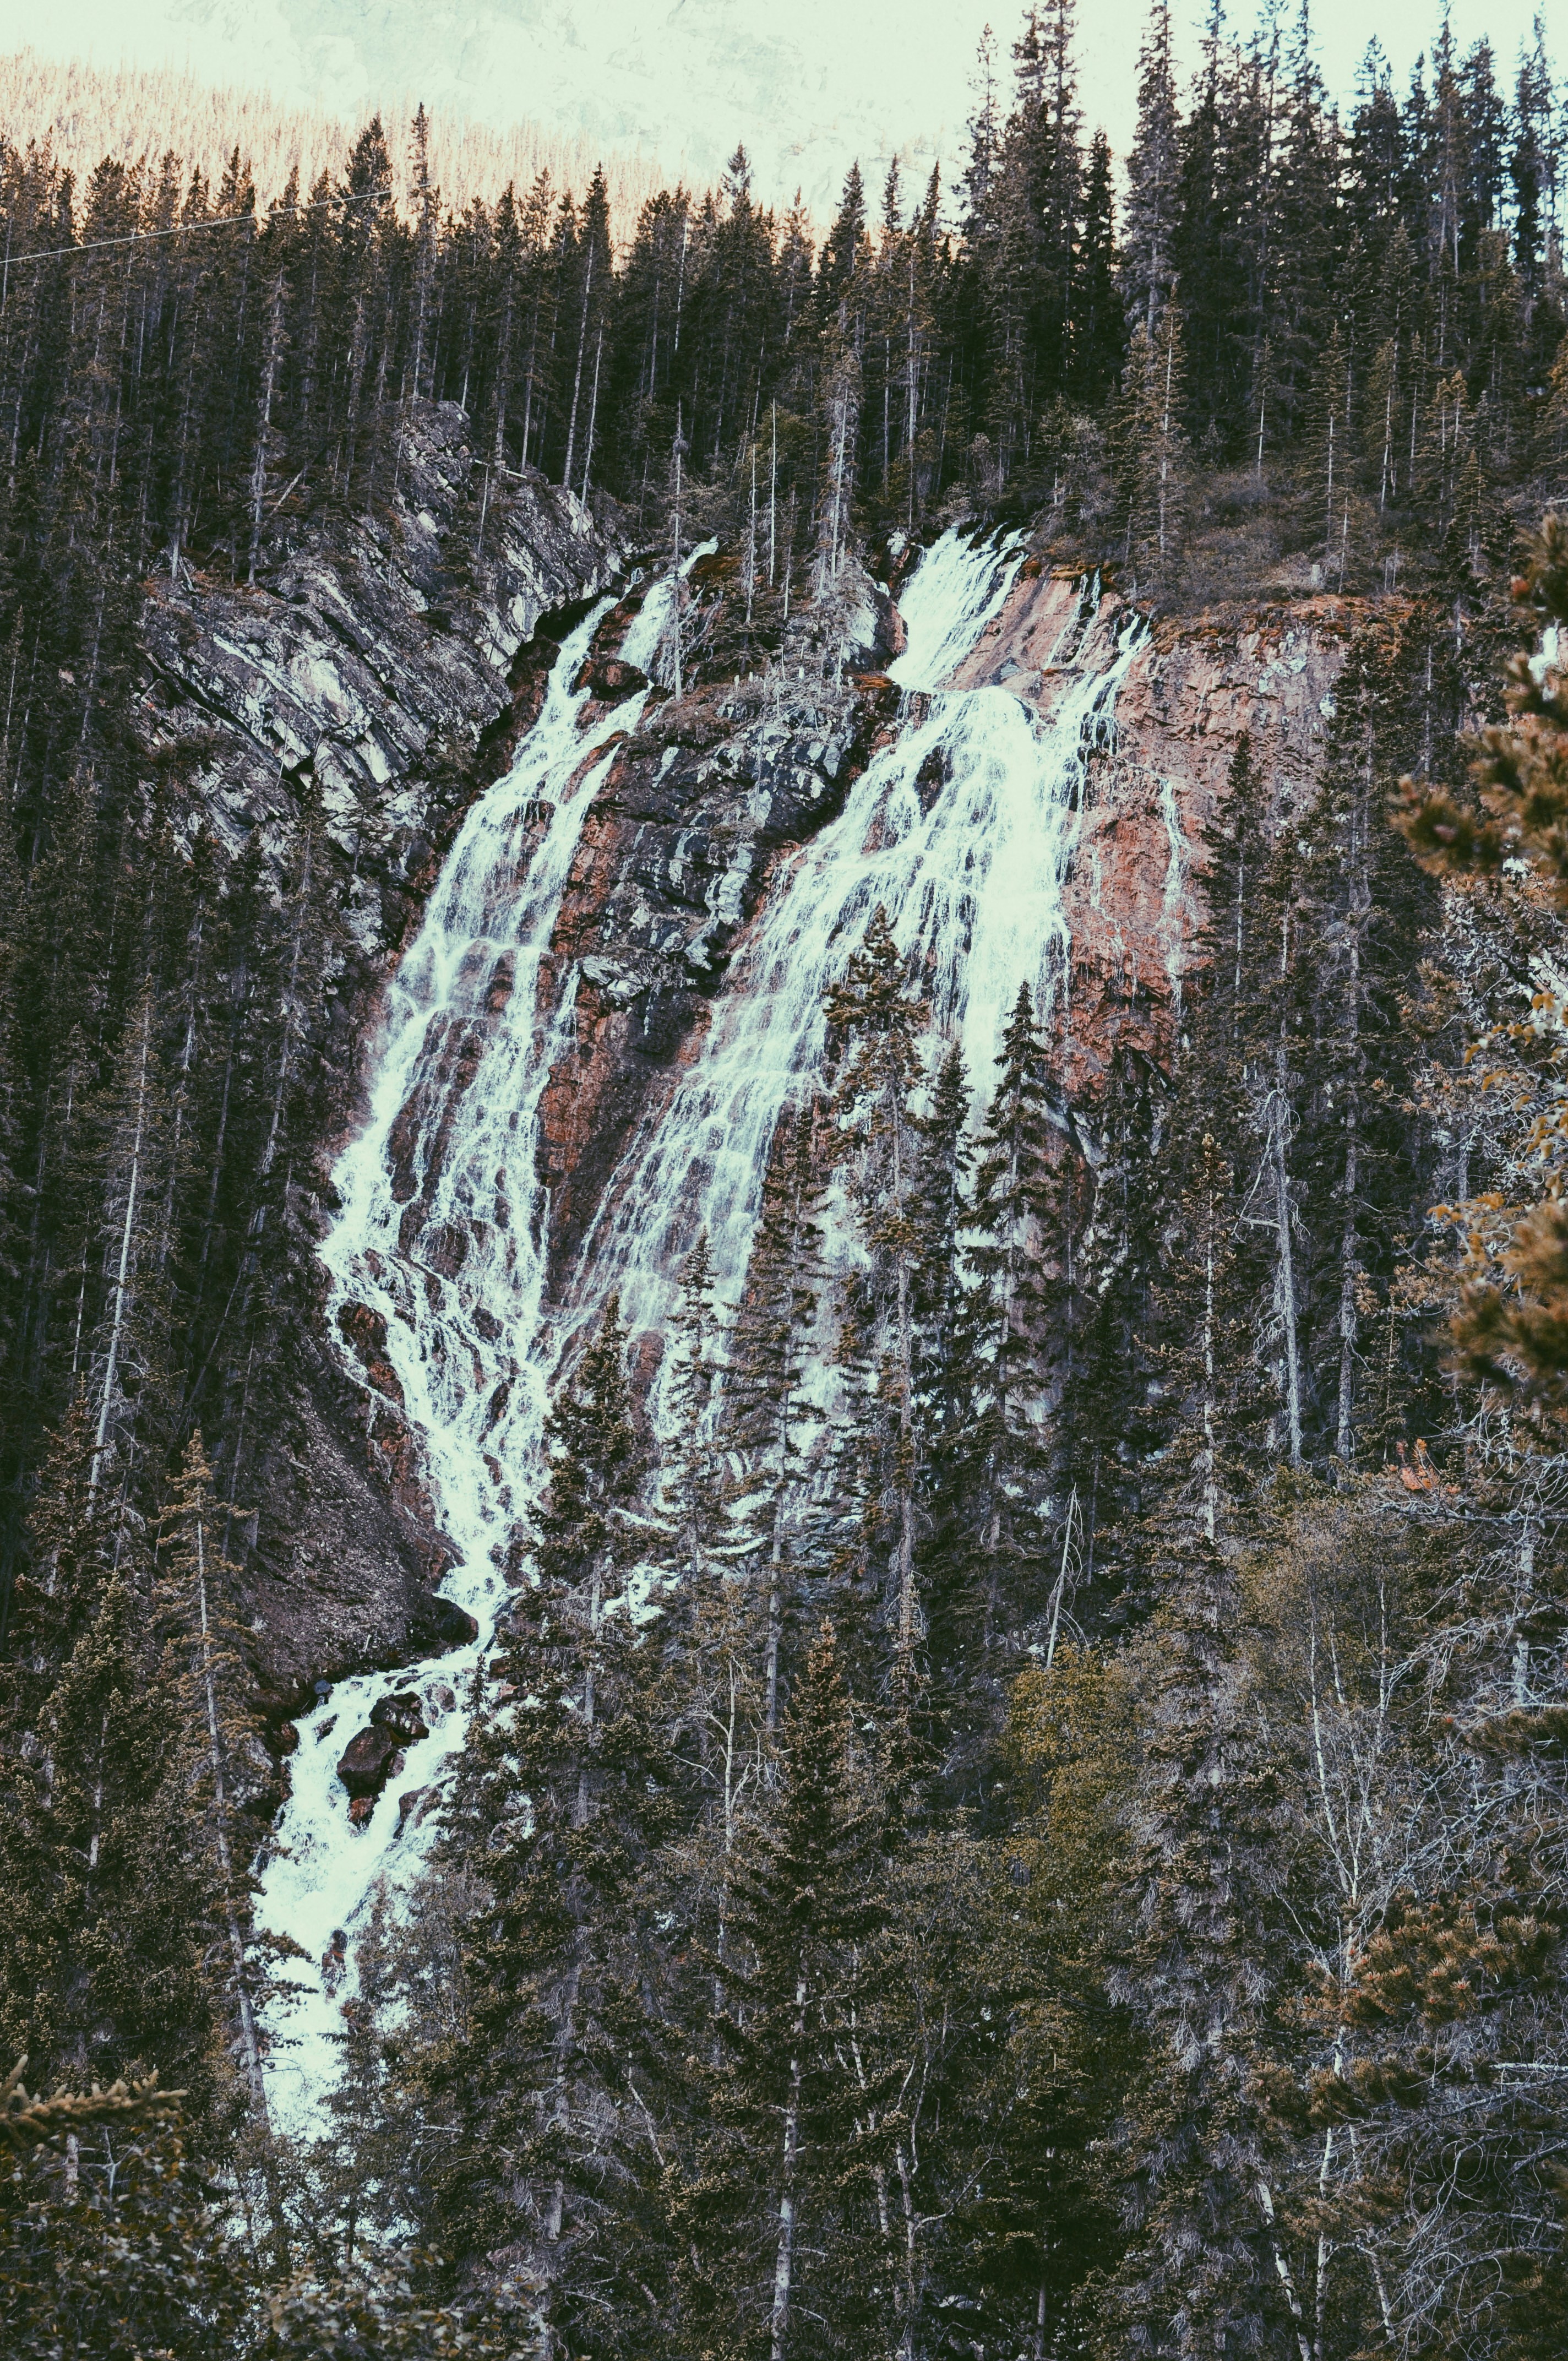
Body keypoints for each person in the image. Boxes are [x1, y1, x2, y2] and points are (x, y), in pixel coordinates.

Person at [321, 1927, 348, 1993]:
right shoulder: (327, 1955)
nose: (330, 1942)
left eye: (333, 1939)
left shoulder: (344, 1960)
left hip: (336, 1988)